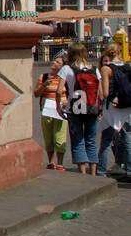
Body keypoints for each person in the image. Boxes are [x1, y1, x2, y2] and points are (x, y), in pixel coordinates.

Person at [67, 43, 102, 175]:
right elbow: (101, 92)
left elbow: (59, 90)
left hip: (76, 108)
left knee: (78, 141)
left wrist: (61, 107)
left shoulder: (68, 69)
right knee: (91, 140)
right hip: (92, 108)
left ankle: (82, 173)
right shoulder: (94, 70)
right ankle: (93, 172)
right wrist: (100, 109)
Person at [98, 50, 131, 178]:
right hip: (127, 107)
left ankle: (101, 171)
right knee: (128, 139)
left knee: (106, 140)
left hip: (112, 108)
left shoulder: (106, 69)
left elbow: (105, 93)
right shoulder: (127, 67)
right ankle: (129, 170)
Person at [34, 56, 69, 170]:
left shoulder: (65, 79)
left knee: (59, 136)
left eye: (57, 62)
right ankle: (51, 162)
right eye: (54, 61)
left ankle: (60, 163)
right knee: (48, 136)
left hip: (60, 110)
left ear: (62, 66)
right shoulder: (43, 77)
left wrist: (66, 103)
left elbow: (71, 93)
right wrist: (44, 85)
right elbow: (36, 93)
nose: (54, 63)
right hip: (46, 110)